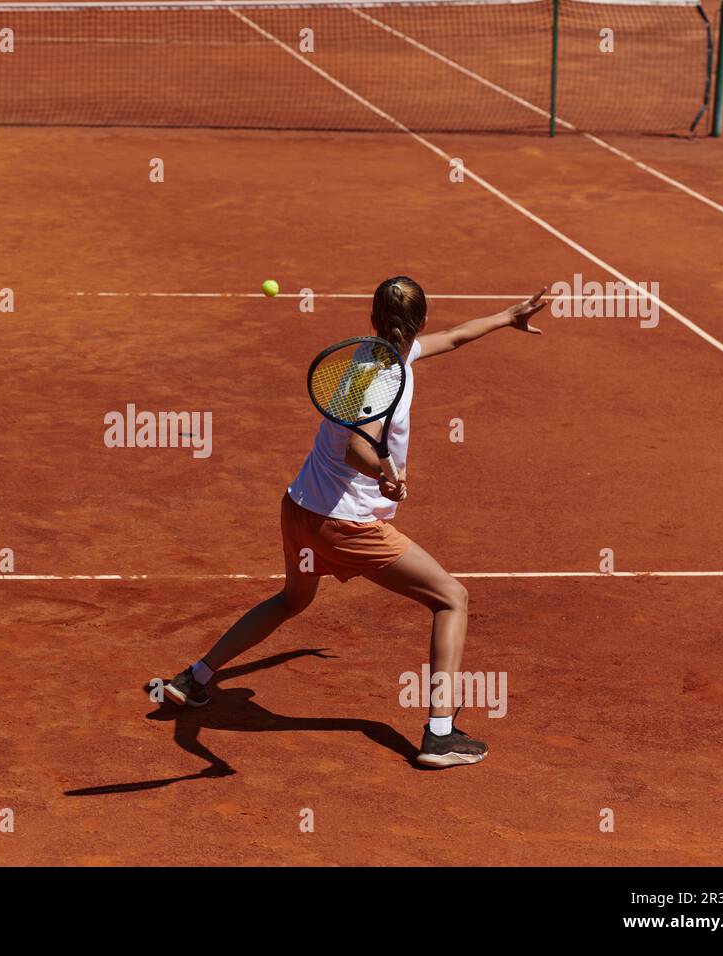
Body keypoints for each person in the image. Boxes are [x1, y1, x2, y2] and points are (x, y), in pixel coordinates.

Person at [163, 277, 547, 768]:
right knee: (452, 598)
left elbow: (450, 340)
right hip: (346, 526)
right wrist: (388, 476)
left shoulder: (371, 351)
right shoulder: (389, 378)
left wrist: (506, 316)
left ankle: (193, 677)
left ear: (374, 321)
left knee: (291, 599)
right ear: (420, 320)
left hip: (300, 508)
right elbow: (358, 446)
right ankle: (440, 735)